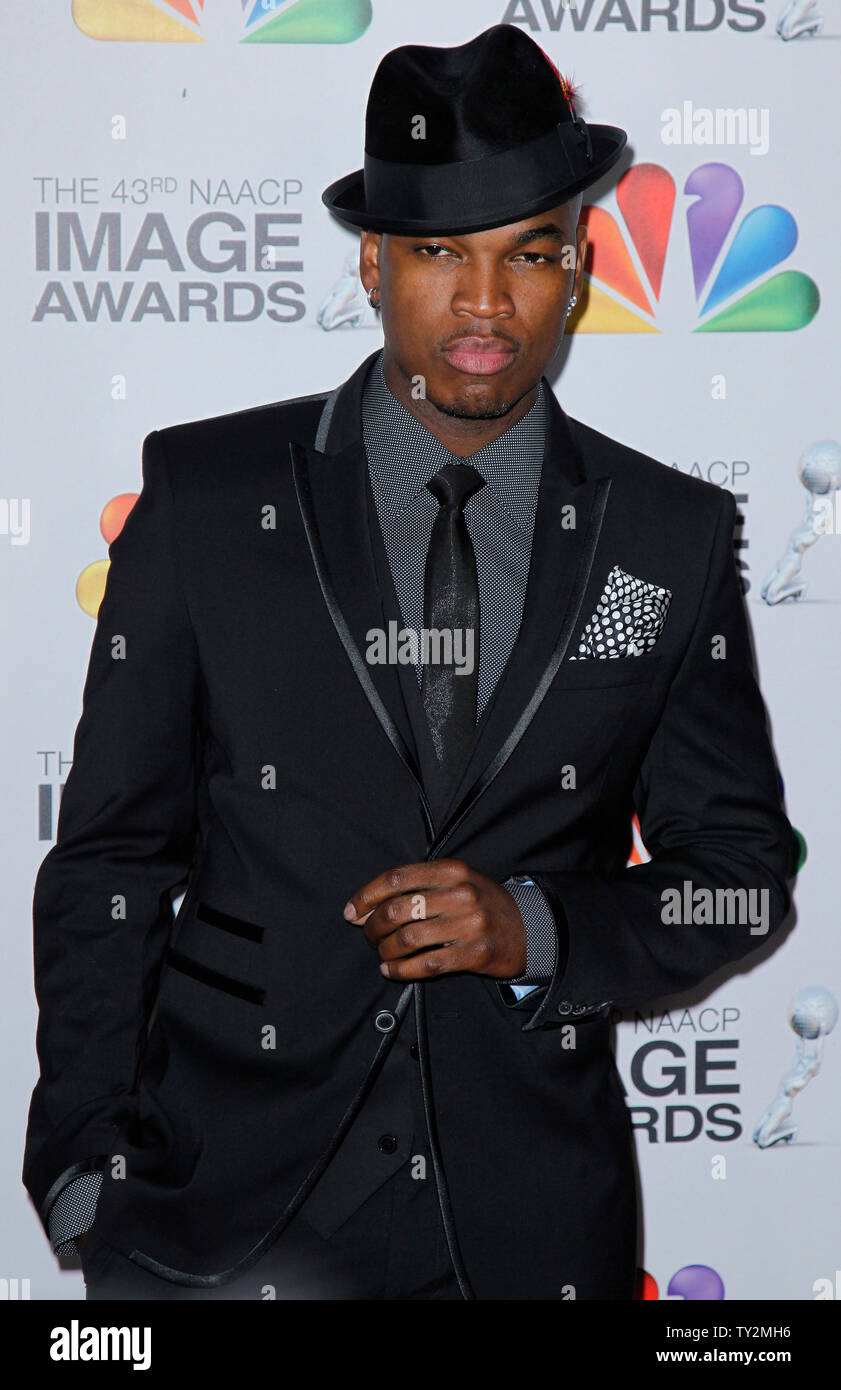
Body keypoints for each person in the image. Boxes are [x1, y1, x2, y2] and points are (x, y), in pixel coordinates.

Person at [23, 23, 795, 1300]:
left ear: (581, 269)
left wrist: (538, 926)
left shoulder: (664, 535)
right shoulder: (211, 496)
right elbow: (109, 856)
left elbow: (740, 878)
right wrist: (84, 1170)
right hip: (216, 1228)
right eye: (440, 252)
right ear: (374, 263)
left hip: (528, 1238)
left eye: (526, 255)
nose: (486, 305)